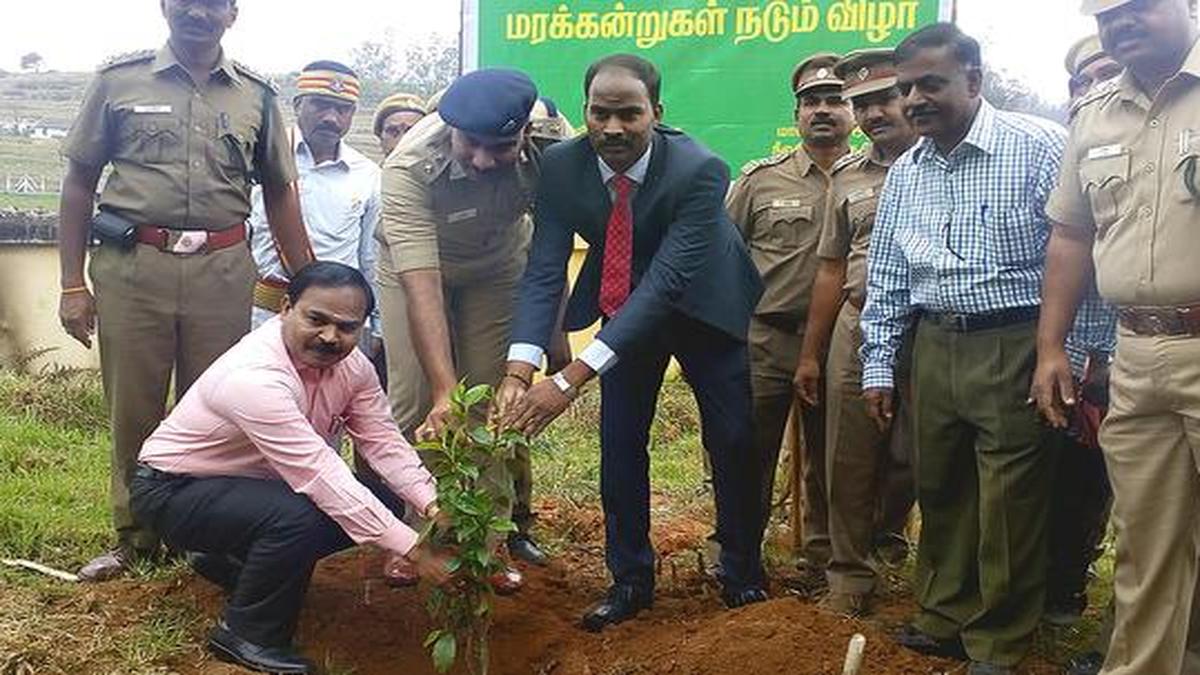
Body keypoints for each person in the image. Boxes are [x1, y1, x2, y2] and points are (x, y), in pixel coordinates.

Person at [498, 53, 769, 631]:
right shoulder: (562, 167)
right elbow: (545, 267)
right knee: (620, 443)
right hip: (624, 298)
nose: (613, 128)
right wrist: (519, 369)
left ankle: (742, 571)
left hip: (705, 301)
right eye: (601, 113)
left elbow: (669, 280)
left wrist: (571, 378)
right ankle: (629, 581)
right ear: (585, 113)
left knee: (734, 437)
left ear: (657, 113)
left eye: (629, 114)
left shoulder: (700, 170)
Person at [57, 0, 313, 582]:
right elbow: (78, 183)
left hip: (221, 271)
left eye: (213, 3)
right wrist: (73, 283)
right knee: (135, 408)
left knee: (218, 409)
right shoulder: (119, 81)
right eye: (186, 1)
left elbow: (280, 192)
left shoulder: (257, 96)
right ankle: (137, 536)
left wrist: (308, 280)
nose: (198, 12)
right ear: (165, 7)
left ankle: (206, 538)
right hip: (132, 267)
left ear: (233, 13)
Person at [859, 24, 1066, 674]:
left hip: (1014, 342)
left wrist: (1070, 354)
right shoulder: (907, 173)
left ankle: (999, 639)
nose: (914, 100)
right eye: (906, 88)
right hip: (934, 344)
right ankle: (944, 615)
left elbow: (1074, 261)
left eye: (932, 84)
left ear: (974, 81)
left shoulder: (1039, 148)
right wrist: (878, 363)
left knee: (1009, 496)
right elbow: (889, 274)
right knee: (940, 482)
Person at [129, 261, 453, 675]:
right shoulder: (255, 377)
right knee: (301, 514)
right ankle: (247, 635)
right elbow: (320, 473)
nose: (331, 337)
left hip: (249, 488)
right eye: (316, 319)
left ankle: (235, 562)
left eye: (347, 327)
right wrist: (415, 549)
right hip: (173, 491)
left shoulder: (354, 367)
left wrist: (432, 505)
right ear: (285, 307)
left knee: (383, 499)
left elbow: (384, 442)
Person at [1032, 0, 1200, 672]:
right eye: (1107, 15)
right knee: (1145, 548)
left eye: (1139, 6)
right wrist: (1051, 347)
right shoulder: (1095, 113)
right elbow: (1071, 236)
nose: (1120, 22)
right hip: (1137, 355)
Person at [375, 68, 550, 578]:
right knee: (415, 402)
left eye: (499, 148)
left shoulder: (549, 145)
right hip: (413, 269)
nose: (481, 160)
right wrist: (443, 388)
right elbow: (421, 283)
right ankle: (420, 535)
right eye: (469, 144)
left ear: (524, 133)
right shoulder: (409, 164)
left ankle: (488, 542)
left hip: (496, 268)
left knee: (489, 405)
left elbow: (551, 242)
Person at [793, 48, 918, 617]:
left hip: (932, 327)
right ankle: (848, 574)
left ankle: (934, 577)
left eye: (884, 99)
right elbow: (831, 268)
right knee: (849, 455)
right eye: (862, 104)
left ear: (909, 96)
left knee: (921, 456)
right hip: (857, 322)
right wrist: (812, 354)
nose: (873, 114)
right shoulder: (848, 176)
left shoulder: (945, 161)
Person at [725, 53, 852, 589]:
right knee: (745, 454)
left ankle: (824, 567)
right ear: (797, 113)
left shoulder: (879, 178)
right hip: (767, 340)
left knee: (835, 462)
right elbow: (721, 259)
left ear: (852, 112)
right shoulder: (759, 180)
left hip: (845, 344)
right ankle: (737, 558)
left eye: (834, 100)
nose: (822, 110)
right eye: (810, 102)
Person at [247, 61, 380, 333]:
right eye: (320, 105)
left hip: (334, 323)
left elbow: (370, 258)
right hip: (260, 316)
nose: (331, 118)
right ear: (297, 105)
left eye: (342, 109)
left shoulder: (367, 174)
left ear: (353, 114)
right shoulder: (261, 159)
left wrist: (374, 324)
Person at [373, 92, 427, 159]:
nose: (401, 140)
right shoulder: (369, 169)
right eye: (393, 131)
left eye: (412, 132)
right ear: (381, 137)